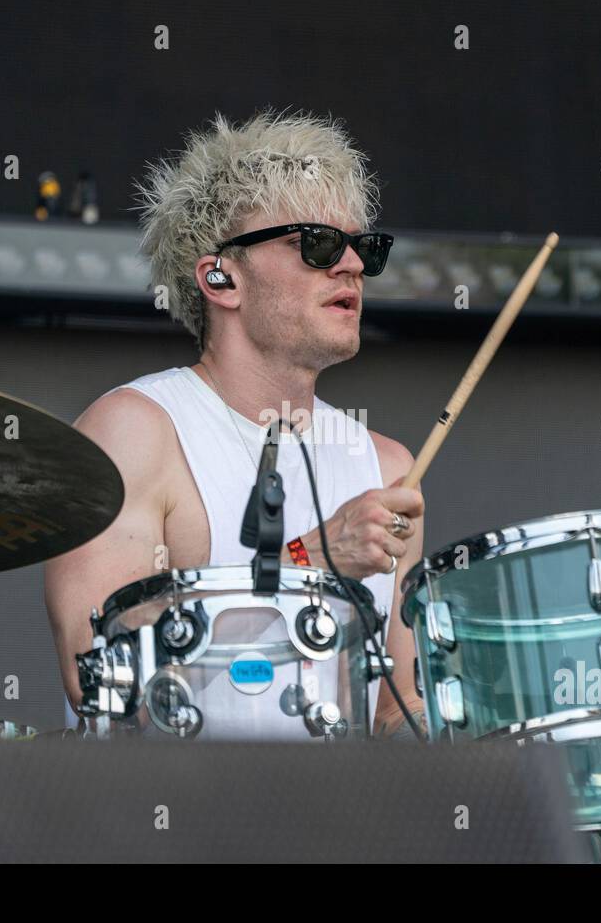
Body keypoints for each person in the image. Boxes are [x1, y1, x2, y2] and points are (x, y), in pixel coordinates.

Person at [45, 107, 425, 739]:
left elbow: (392, 711)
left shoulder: (388, 468)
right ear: (221, 278)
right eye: (317, 243)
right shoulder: (134, 433)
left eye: (362, 248)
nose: (352, 265)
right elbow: (108, 686)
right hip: (165, 826)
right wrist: (316, 561)